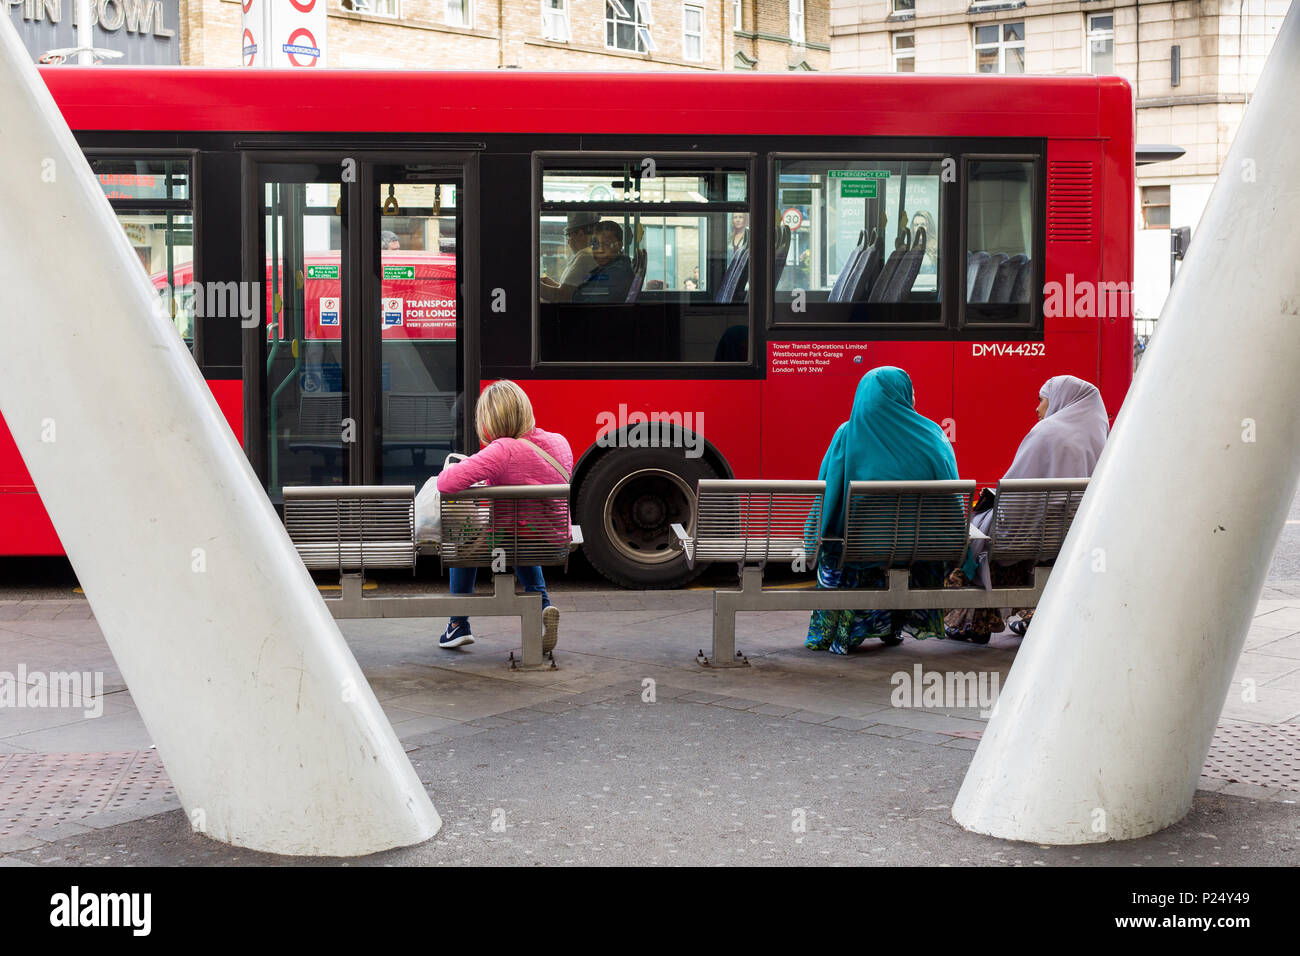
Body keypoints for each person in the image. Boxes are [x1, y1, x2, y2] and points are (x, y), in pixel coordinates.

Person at [805, 366, 959, 654]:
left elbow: (827, 498)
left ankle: (837, 630)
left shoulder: (847, 434)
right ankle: (891, 625)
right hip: (919, 550)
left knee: (838, 548)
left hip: (859, 549)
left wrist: (815, 532)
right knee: (896, 543)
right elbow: (951, 498)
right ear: (903, 395)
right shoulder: (932, 434)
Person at [944, 374, 1109, 643]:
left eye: (1042, 399)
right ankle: (1030, 613)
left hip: (1028, 541)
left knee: (980, 535)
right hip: (1073, 540)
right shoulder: (1101, 438)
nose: (1037, 408)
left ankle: (978, 622)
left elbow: (1014, 498)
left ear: (1060, 400)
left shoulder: (1045, 432)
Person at [435, 380, 574, 651]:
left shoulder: (503, 450)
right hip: (554, 542)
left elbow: (445, 483)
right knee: (522, 533)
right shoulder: (560, 442)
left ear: (490, 419)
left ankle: (457, 624)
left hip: (511, 542)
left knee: (461, 540)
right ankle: (543, 607)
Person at [540, 212, 599, 302]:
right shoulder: (591, 254)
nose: (568, 242)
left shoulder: (585, 257)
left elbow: (561, 297)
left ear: (580, 234)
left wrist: (533, 283)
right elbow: (572, 293)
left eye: (568, 235)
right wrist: (553, 285)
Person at [571, 221, 634, 303]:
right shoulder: (607, 268)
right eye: (595, 244)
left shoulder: (616, 273)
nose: (599, 250)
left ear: (619, 246)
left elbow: (591, 306)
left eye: (607, 244)